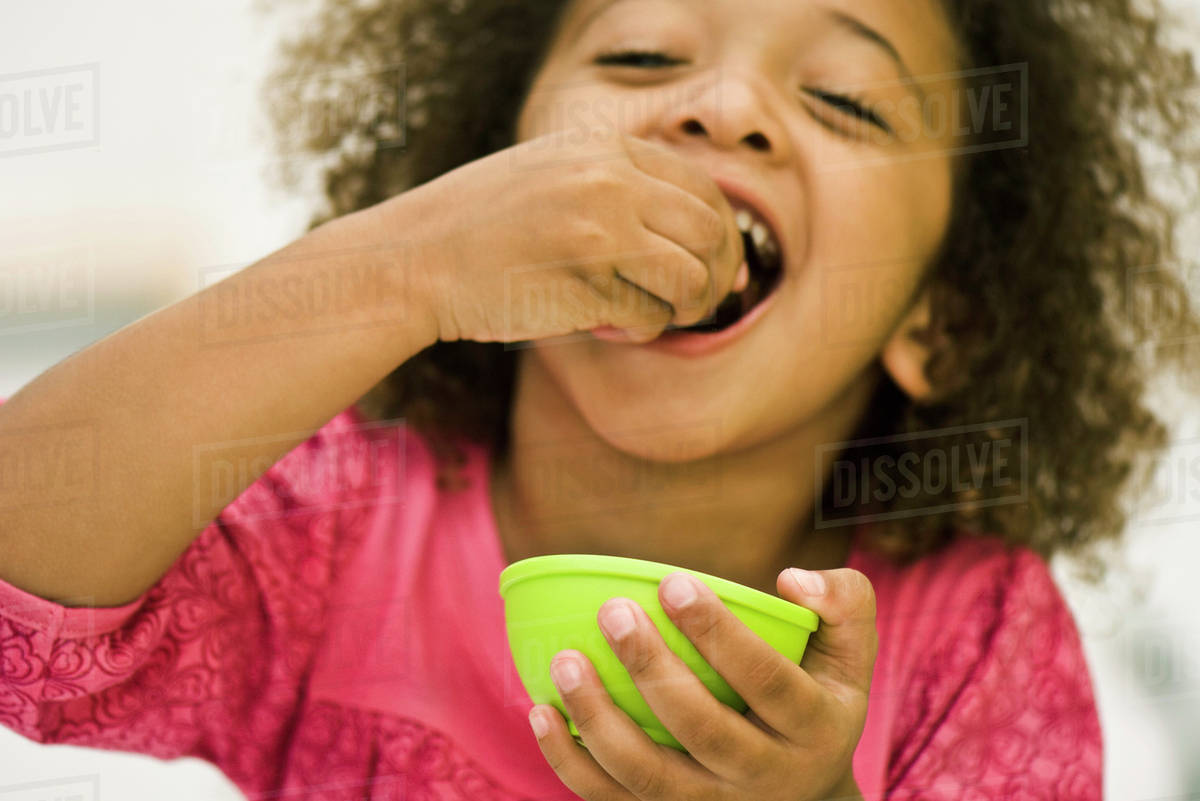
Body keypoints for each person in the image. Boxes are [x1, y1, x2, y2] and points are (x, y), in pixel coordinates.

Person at [1, 0, 1197, 798]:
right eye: (640, 57)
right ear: (488, 171)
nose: (719, 108)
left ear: (943, 325)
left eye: (845, 102)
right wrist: (395, 265)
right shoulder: (339, 515)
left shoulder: (977, 636)